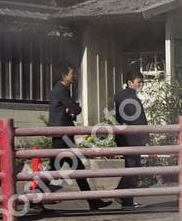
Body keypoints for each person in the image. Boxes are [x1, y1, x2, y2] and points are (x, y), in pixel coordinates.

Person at [45, 64, 108, 210]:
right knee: (59, 168)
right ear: (64, 75)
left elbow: (71, 109)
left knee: (72, 167)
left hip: (62, 134)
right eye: (72, 73)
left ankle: (93, 201)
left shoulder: (60, 89)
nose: (74, 76)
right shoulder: (61, 90)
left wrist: (70, 108)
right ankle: (34, 199)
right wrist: (72, 108)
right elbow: (76, 109)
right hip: (63, 135)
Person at [112, 67, 148, 210]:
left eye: (142, 82)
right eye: (139, 82)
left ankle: (122, 195)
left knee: (131, 167)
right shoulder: (131, 98)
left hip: (124, 137)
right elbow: (138, 121)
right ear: (130, 82)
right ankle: (126, 200)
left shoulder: (122, 97)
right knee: (133, 168)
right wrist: (145, 137)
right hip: (132, 138)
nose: (141, 85)